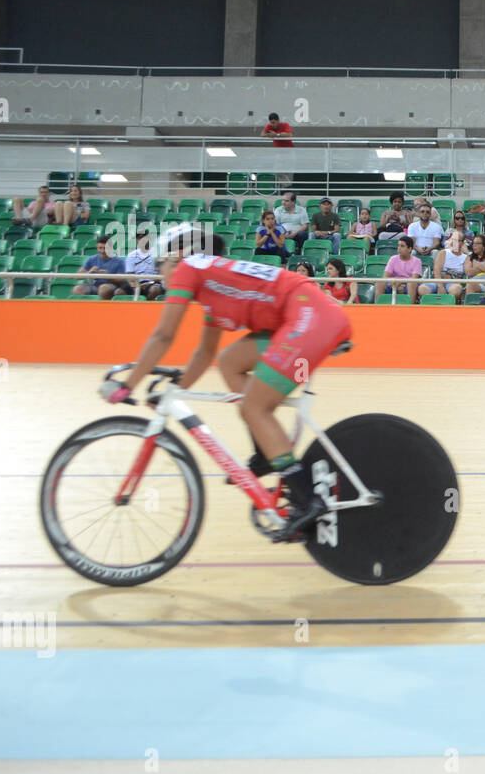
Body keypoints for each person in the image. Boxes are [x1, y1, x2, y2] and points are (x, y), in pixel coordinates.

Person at [98, 223, 352, 542]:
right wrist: (173, 391)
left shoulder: (187, 269)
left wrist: (128, 385)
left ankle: (306, 500)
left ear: (173, 258)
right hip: (306, 316)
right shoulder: (210, 286)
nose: (161, 277)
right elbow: (205, 354)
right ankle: (265, 452)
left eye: (159, 266)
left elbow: (164, 335)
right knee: (230, 361)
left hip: (311, 319)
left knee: (254, 408)